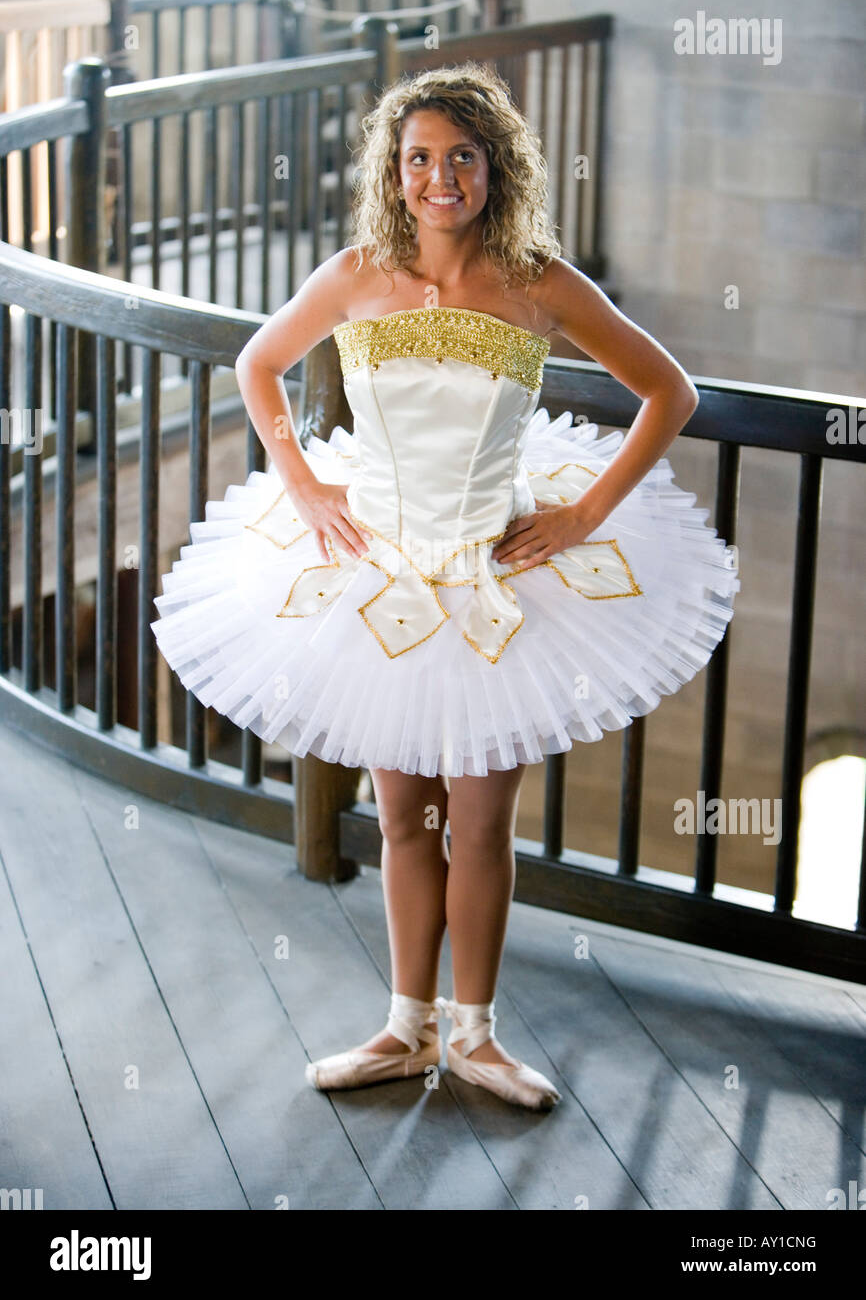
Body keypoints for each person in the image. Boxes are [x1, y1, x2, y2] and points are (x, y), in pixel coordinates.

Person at [152, 62, 739, 1112]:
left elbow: (670, 390)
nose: (437, 177)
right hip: (374, 580)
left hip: (491, 579)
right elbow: (256, 365)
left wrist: (582, 513)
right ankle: (402, 1027)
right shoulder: (353, 272)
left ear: (493, 166)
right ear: (394, 169)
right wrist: (300, 481)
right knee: (398, 822)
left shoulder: (538, 282)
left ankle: (475, 1036)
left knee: (476, 825)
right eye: (417, 158)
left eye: (458, 157)